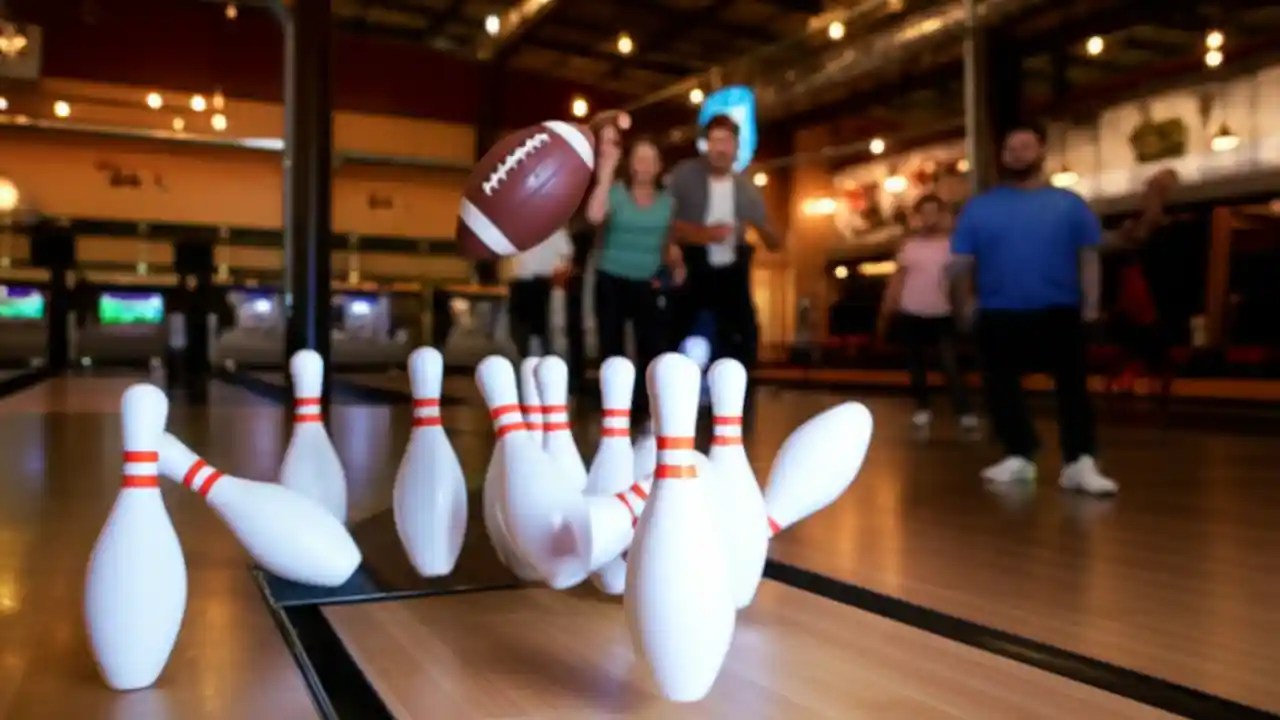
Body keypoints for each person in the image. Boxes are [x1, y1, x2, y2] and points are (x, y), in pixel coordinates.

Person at [950, 123, 1117, 495]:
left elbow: (1089, 258)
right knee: (1000, 387)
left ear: (1041, 152)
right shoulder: (980, 208)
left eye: (1025, 146)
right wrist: (965, 307)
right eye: (1011, 147)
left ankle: (1080, 461)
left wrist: (1090, 309)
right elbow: (961, 263)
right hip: (997, 311)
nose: (1017, 153)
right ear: (1002, 157)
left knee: (1073, 387)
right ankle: (1018, 455)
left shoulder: (1069, 204)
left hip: (1059, 309)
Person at [667, 114, 782, 375]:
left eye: (726, 141)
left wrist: (760, 225)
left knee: (744, 334)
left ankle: (740, 396)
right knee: (675, 332)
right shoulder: (684, 176)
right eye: (715, 141)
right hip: (692, 268)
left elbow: (775, 240)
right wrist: (703, 234)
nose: (720, 148)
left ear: (736, 147)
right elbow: (664, 222)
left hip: (733, 271)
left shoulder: (747, 188)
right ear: (706, 145)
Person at [584, 130, 680, 419]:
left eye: (651, 159)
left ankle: (645, 405)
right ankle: (613, 405)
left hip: (646, 281)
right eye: (640, 158)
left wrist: (675, 263)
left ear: (660, 165)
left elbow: (667, 242)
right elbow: (593, 216)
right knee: (611, 345)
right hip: (611, 277)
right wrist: (605, 173)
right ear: (631, 165)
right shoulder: (615, 193)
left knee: (650, 345)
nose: (645, 164)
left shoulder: (668, 203)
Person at [877, 194, 978, 439]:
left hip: (942, 312)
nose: (930, 218)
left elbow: (964, 280)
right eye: (925, 212)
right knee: (915, 364)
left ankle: (963, 411)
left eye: (935, 211)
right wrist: (886, 310)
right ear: (918, 216)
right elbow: (897, 280)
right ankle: (922, 408)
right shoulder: (908, 246)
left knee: (950, 364)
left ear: (943, 215)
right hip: (911, 312)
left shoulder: (954, 245)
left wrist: (967, 307)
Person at [506, 227, 572, 358]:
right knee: (539, 326)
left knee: (525, 325)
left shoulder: (518, 224)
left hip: (529, 279)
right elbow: (567, 254)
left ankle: (526, 354)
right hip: (538, 280)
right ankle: (539, 353)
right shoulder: (554, 227)